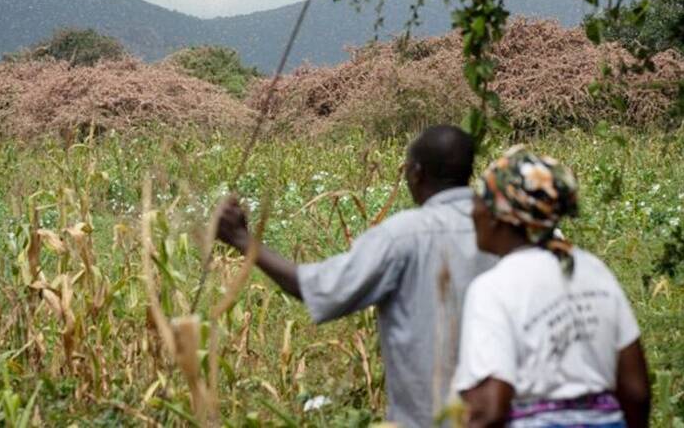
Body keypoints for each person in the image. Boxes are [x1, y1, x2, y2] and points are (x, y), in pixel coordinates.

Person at [216, 124, 498, 426]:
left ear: (416, 172)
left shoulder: (402, 235)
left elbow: (322, 289)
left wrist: (243, 241)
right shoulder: (506, 229)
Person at [453, 146, 651, 428]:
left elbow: (490, 409)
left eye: (480, 202)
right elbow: (636, 391)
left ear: (502, 216)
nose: (472, 213)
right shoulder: (594, 270)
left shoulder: (493, 288)